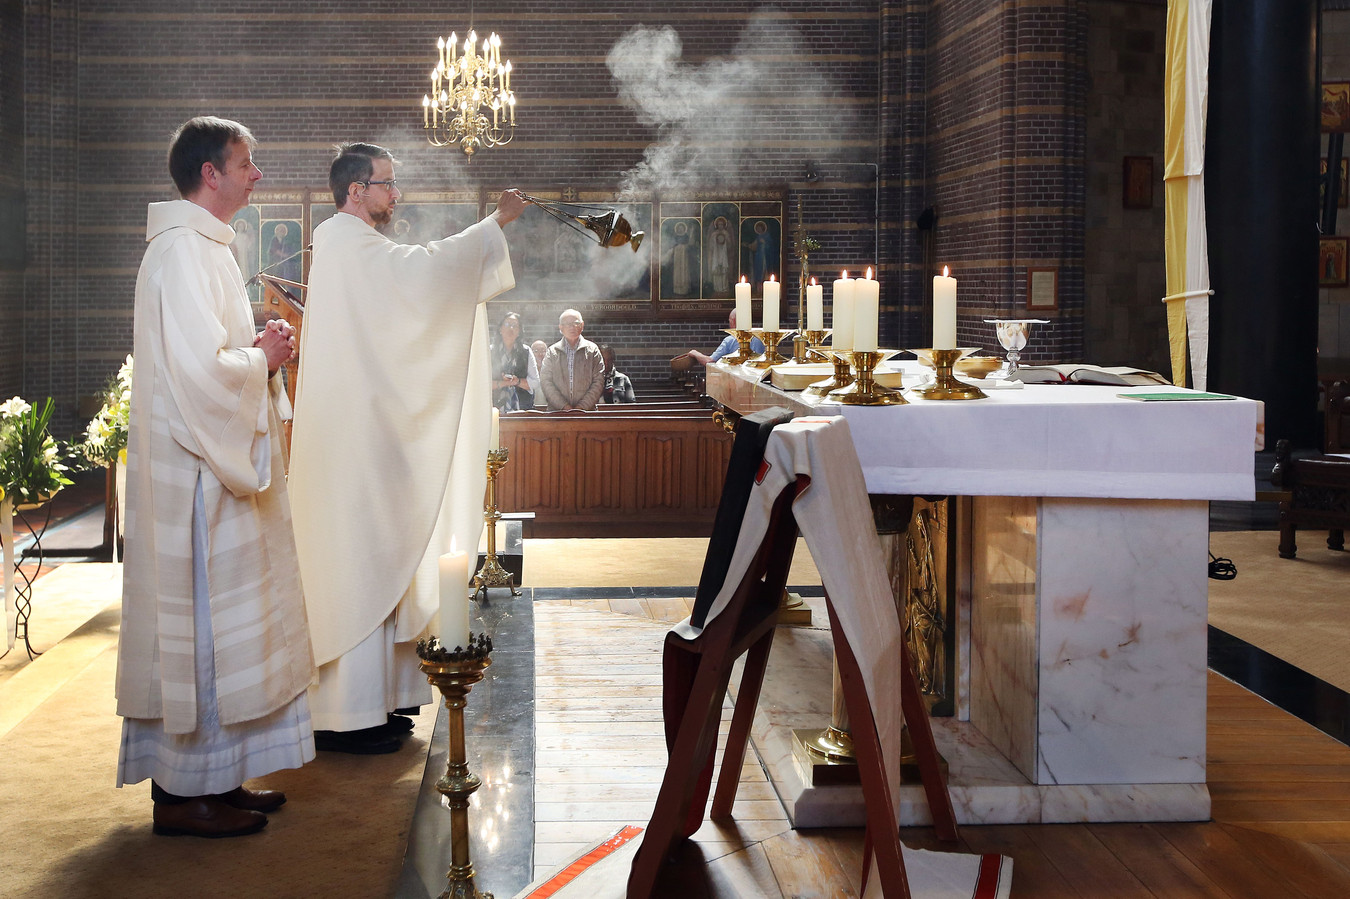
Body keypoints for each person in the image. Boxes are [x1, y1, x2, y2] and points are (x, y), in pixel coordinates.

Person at [287, 142, 527, 754]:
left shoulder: (351, 246)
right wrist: (493, 224)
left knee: (384, 556)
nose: (396, 195)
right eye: (387, 184)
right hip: (354, 446)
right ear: (355, 190)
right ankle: (348, 714)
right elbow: (421, 274)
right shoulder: (349, 245)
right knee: (362, 560)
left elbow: (404, 310)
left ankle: (384, 701)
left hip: (370, 435)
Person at [115, 115, 314, 839]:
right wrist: (263, 357)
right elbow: (200, 375)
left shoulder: (209, 247)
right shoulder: (179, 252)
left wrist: (260, 349)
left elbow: (214, 355)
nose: (256, 174)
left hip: (212, 468)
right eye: (246, 162)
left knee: (224, 629)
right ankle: (180, 795)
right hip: (195, 478)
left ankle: (220, 777)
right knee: (199, 626)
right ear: (211, 173)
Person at [540, 308, 605, 411]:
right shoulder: (552, 352)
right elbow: (546, 381)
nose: (572, 327)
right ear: (561, 328)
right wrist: (564, 407)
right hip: (557, 412)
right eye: (567, 324)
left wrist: (581, 407)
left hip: (586, 412)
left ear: (582, 325)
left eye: (576, 323)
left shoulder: (593, 350)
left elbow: (598, 381)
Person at [491, 311, 539, 411]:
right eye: (507, 324)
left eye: (515, 325)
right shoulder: (490, 351)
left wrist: (517, 381)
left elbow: (535, 382)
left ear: (519, 332)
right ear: (500, 329)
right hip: (494, 408)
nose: (511, 328)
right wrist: (504, 383)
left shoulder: (526, 351)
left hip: (522, 409)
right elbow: (482, 383)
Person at [687, 309, 764, 365]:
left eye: (729, 321)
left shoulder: (730, 340)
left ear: (733, 321)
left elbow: (710, 361)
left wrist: (695, 353)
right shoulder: (761, 337)